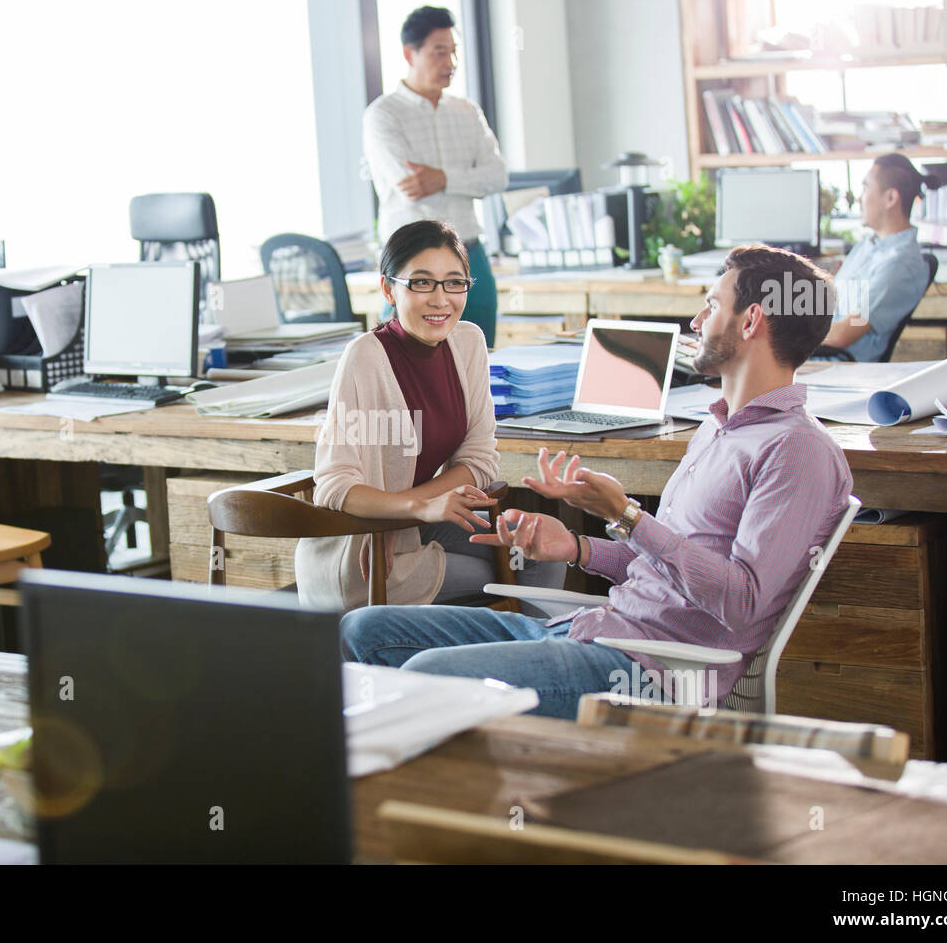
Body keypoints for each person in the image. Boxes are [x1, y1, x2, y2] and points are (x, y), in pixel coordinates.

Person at [341, 244, 854, 717]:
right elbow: (664, 567)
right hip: (595, 630)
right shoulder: (718, 428)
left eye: (712, 305)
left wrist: (626, 516)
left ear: (751, 321)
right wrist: (576, 547)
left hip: (653, 670)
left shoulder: (796, 451)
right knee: (363, 629)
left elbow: (741, 604)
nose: (696, 321)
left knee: (428, 676)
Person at [294, 220, 564, 611]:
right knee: (497, 575)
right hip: (360, 550)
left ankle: (533, 651)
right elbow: (335, 486)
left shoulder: (468, 343)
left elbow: (479, 460)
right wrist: (407, 512)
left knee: (541, 548)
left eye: (454, 283)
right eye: (421, 283)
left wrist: (411, 510)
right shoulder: (366, 358)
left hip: (416, 524)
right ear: (388, 289)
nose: (441, 300)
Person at [362, 5, 508, 348]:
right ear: (409, 54)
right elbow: (411, 185)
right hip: (412, 262)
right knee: (407, 360)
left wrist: (442, 179)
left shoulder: (467, 111)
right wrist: (466, 179)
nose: (451, 62)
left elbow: (498, 177)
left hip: (470, 254)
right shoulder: (383, 115)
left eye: (454, 52)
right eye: (439, 52)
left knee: (480, 354)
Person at [821, 153, 937, 361]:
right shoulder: (868, 245)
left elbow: (842, 335)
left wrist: (784, 335)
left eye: (865, 188)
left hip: (836, 363)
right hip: (815, 353)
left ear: (890, 198)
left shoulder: (898, 264)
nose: (859, 199)